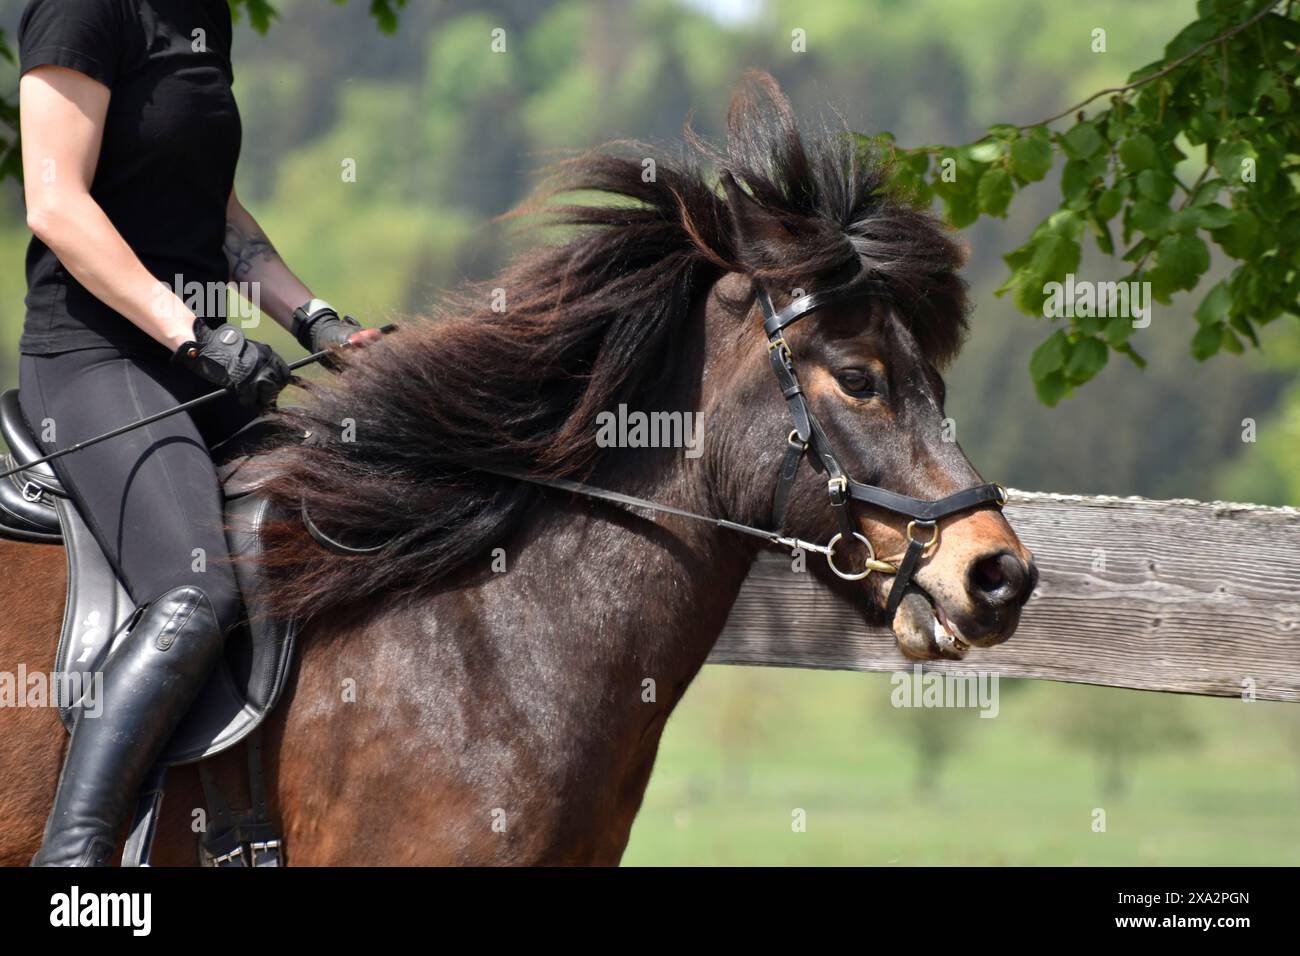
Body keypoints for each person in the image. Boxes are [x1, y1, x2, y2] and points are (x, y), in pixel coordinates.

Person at [16, 0, 376, 866]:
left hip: (203, 365)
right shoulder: (82, 9)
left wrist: (318, 323)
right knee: (198, 590)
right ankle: (76, 857)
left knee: (344, 525)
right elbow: (55, 203)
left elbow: (219, 216)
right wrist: (193, 331)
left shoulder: (202, 13)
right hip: (94, 357)